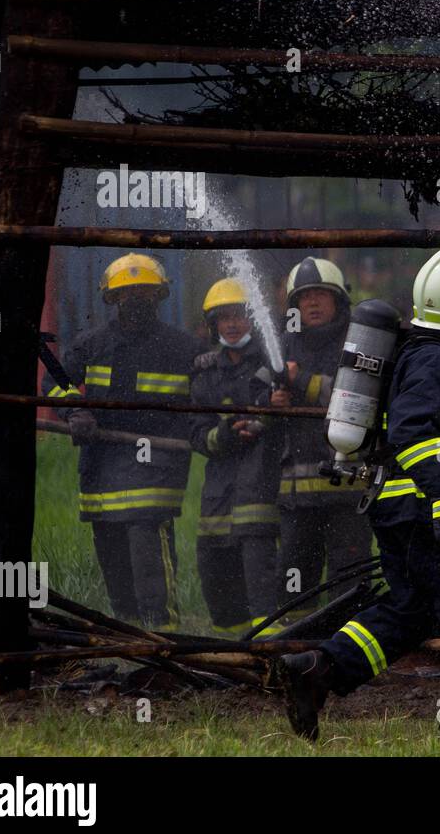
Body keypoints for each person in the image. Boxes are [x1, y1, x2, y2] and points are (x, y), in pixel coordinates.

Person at [276, 246, 440, 739]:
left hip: (399, 505)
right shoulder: (437, 359)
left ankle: (319, 669)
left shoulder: (425, 354)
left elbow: (421, 434)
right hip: (424, 507)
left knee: (410, 609)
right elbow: (411, 431)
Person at [41, 253, 202, 629]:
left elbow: (210, 394)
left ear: (158, 295)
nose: (135, 298)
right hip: (102, 473)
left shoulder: (184, 349)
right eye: (127, 292)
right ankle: (127, 641)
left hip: (157, 472)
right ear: (112, 299)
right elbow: (54, 383)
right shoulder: (92, 344)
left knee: (148, 556)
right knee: (114, 563)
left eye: (144, 290)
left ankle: (162, 642)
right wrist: (74, 411)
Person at [272, 257, 373, 619]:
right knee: (295, 579)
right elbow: (255, 394)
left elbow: (356, 400)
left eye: (320, 295)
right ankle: (296, 650)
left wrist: (301, 381)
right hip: (298, 494)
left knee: (349, 577)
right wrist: (271, 401)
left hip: (348, 490)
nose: (312, 302)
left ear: (338, 300)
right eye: (305, 296)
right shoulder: (284, 343)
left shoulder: (358, 344)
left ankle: (348, 650)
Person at [189, 278, 285, 637]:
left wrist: (264, 421)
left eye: (240, 316)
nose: (231, 324)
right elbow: (197, 435)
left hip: (260, 485)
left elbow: (283, 414)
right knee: (215, 572)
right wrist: (225, 435)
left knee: (260, 573)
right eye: (224, 318)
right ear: (213, 325)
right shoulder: (204, 373)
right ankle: (233, 653)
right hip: (217, 495)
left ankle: (270, 652)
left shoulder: (273, 363)